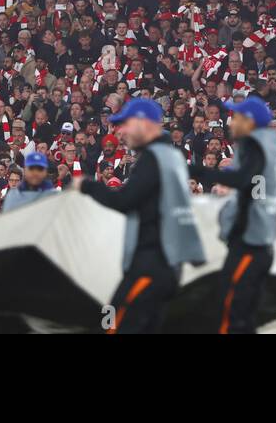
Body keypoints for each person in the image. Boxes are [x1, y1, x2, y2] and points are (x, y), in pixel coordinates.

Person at [71, 97, 205, 334]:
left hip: (150, 265)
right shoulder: (170, 156)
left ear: (144, 124)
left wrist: (87, 186)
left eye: (127, 124)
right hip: (165, 267)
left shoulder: (155, 158)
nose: (121, 131)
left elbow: (124, 200)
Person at [189, 96, 276, 334]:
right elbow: (254, 186)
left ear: (250, 122)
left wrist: (199, 170)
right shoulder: (273, 146)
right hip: (261, 236)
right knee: (246, 311)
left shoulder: (254, 144)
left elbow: (245, 181)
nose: (231, 122)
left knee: (230, 304)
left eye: (237, 118)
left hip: (250, 239)